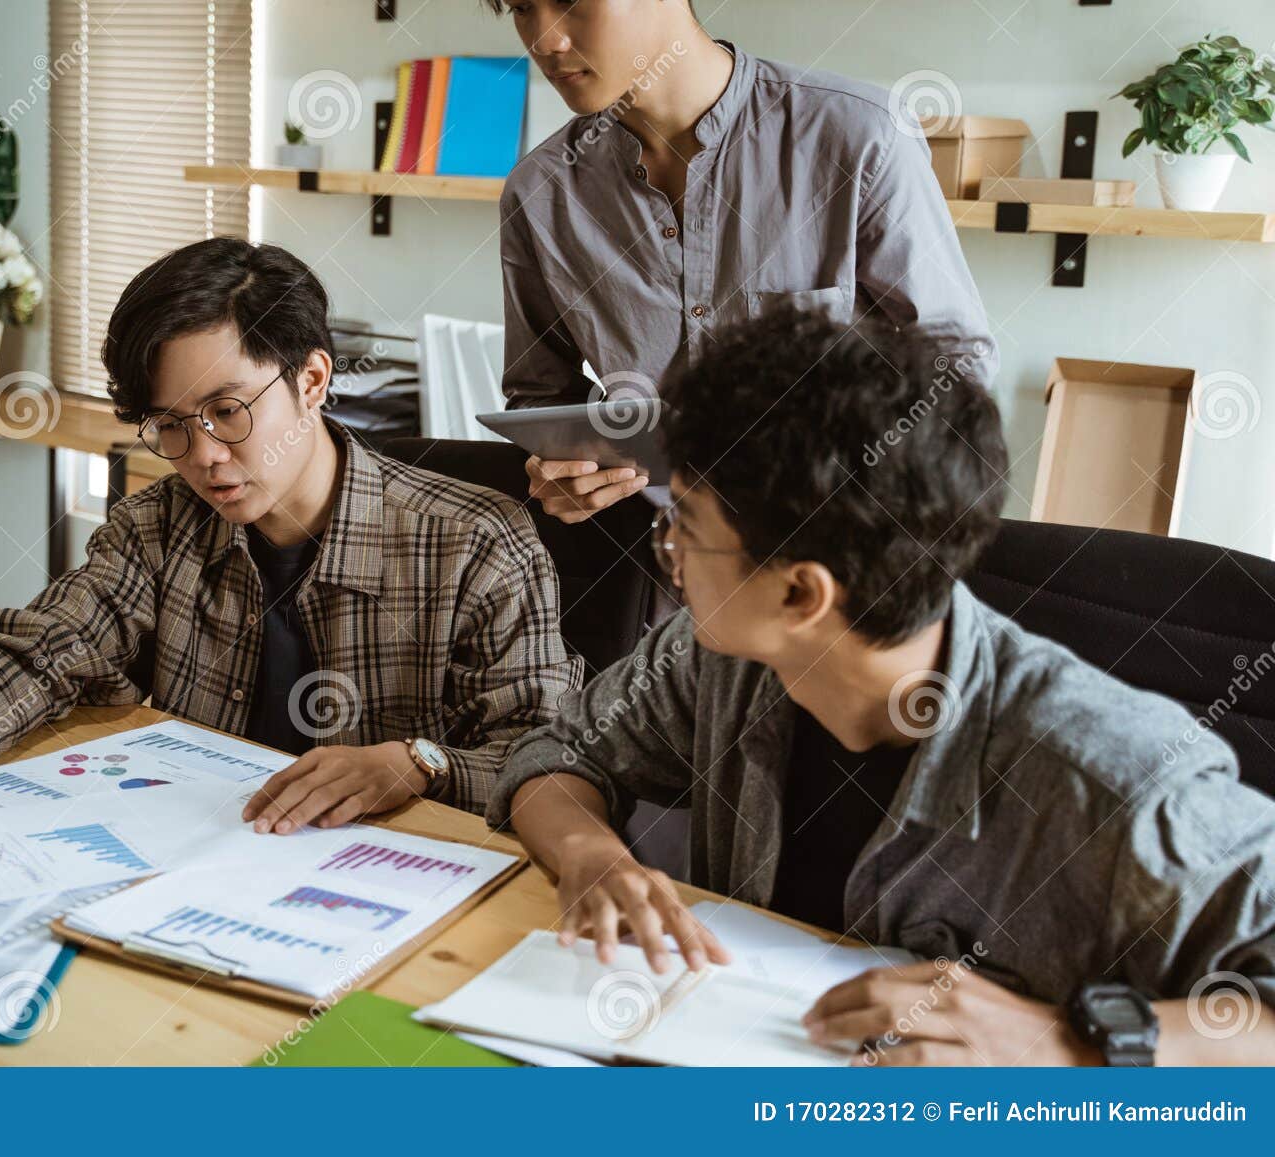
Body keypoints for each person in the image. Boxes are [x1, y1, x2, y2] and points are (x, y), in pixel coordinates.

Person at [489, 302, 1275, 1065]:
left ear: (802, 595)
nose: (670, 553)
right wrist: (593, 854)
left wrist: (1065, 1045)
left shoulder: (1113, 778)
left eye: (683, 528)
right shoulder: (720, 661)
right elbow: (557, 754)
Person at [0, 238, 581, 836]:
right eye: (171, 426)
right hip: (195, 867)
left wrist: (420, 764)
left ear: (311, 381)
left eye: (227, 410)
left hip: (401, 906)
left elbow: (554, 762)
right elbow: (48, 647)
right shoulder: (159, 526)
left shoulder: (477, 545)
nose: (204, 454)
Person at [488, 0, 996, 524]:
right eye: (523, 8)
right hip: (656, 564)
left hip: (843, 551)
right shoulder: (540, 190)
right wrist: (566, 468)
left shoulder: (861, 136)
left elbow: (956, 365)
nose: (544, 40)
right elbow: (540, 393)